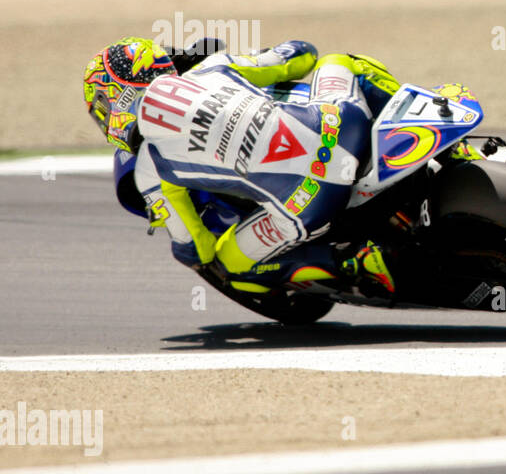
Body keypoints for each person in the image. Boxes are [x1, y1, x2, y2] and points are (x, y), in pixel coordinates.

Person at [82, 36, 402, 296]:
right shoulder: (214, 67)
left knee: (230, 264)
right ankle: (408, 116)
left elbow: (196, 248)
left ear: (111, 103)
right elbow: (301, 56)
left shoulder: (151, 169)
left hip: (311, 200)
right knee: (339, 60)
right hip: (340, 126)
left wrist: (192, 257)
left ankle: (354, 262)